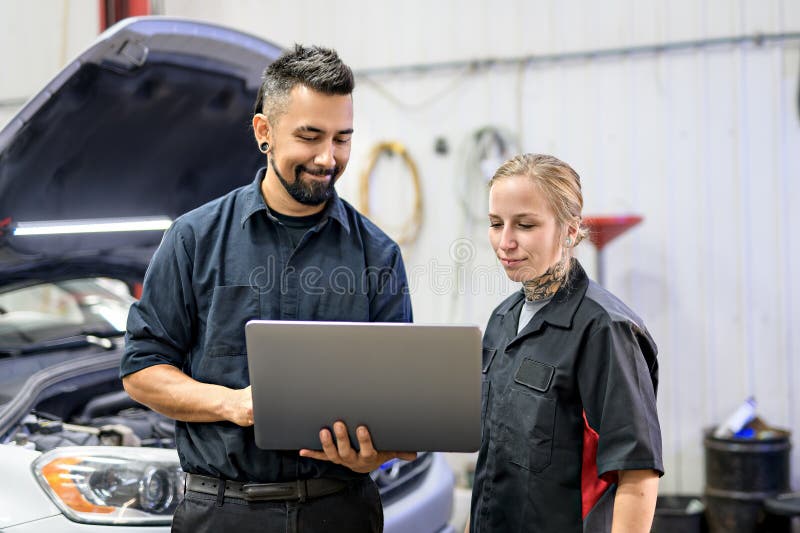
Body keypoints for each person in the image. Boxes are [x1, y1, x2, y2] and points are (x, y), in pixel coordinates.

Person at [121, 44, 415, 533]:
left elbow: (399, 396)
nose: (328, 157)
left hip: (340, 512)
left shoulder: (378, 254)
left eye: (342, 139)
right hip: (221, 514)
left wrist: (375, 454)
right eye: (310, 136)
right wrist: (233, 403)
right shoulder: (194, 239)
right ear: (264, 132)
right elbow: (142, 369)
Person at [467, 153, 663, 533]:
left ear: (570, 231)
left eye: (525, 225)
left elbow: (637, 474)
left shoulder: (604, 330)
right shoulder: (501, 320)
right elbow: (491, 458)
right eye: (496, 224)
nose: (505, 242)